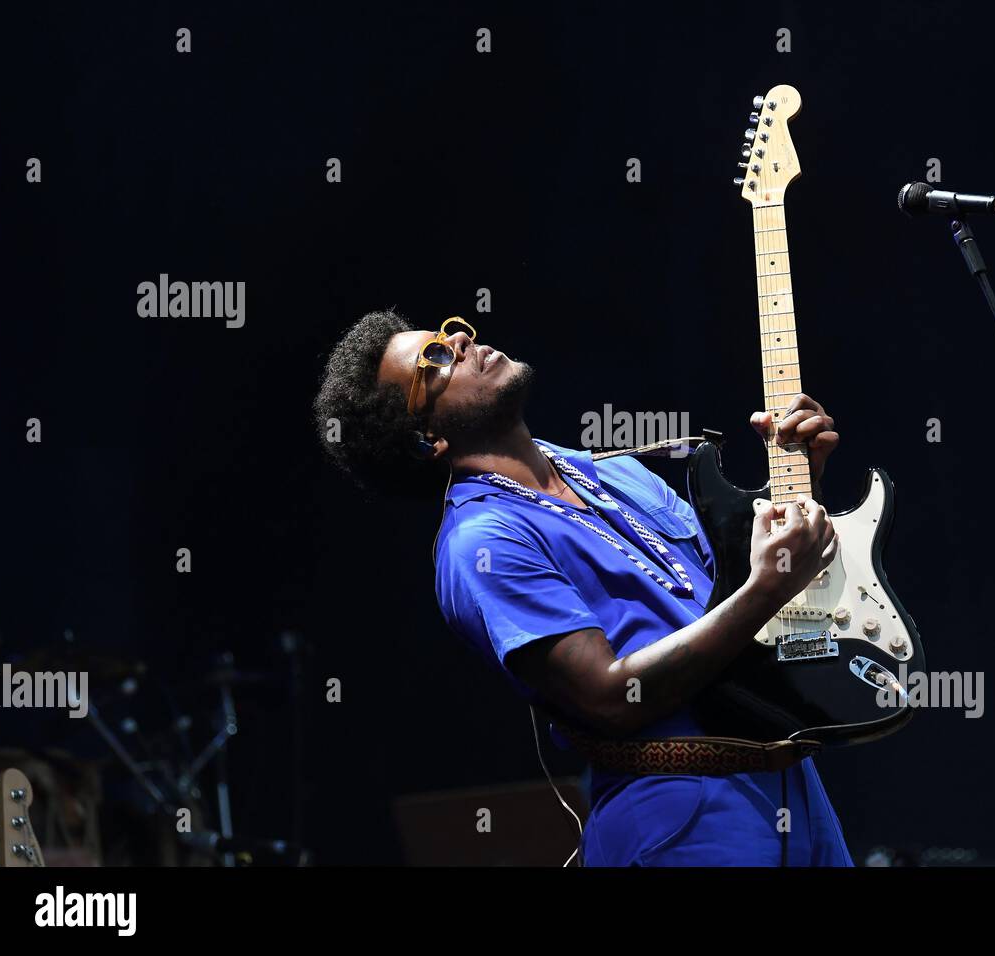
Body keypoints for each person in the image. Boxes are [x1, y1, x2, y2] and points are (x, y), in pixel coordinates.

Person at [313, 309, 853, 866]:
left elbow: (737, 590)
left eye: (451, 332)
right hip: (681, 814)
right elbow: (609, 699)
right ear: (428, 440)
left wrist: (796, 476)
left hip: (794, 787)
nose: (462, 341)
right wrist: (766, 588)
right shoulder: (483, 542)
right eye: (436, 359)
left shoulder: (615, 472)